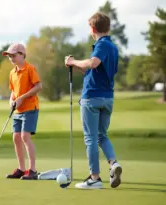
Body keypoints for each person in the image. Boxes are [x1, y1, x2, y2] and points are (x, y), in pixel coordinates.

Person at [65, 12, 122, 189]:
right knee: (101, 136)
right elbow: (95, 70)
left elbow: (93, 63)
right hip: (107, 98)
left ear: (92, 28)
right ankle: (113, 164)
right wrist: (76, 65)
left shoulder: (102, 45)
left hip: (92, 97)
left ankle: (94, 178)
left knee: (90, 138)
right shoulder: (112, 46)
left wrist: (74, 61)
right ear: (109, 27)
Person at [2, 43, 42, 180]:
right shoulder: (12, 72)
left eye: (13, 55)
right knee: (16, 138)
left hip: (30, 108)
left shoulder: (30, 69)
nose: (11, 58)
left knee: (25, 137)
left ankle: (32, 170)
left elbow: (38, 86)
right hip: (18, 111)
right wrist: (11, 101)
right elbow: (13, 91)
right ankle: (21, 169)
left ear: (22, 54)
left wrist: (22, 98)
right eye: (9, 56)